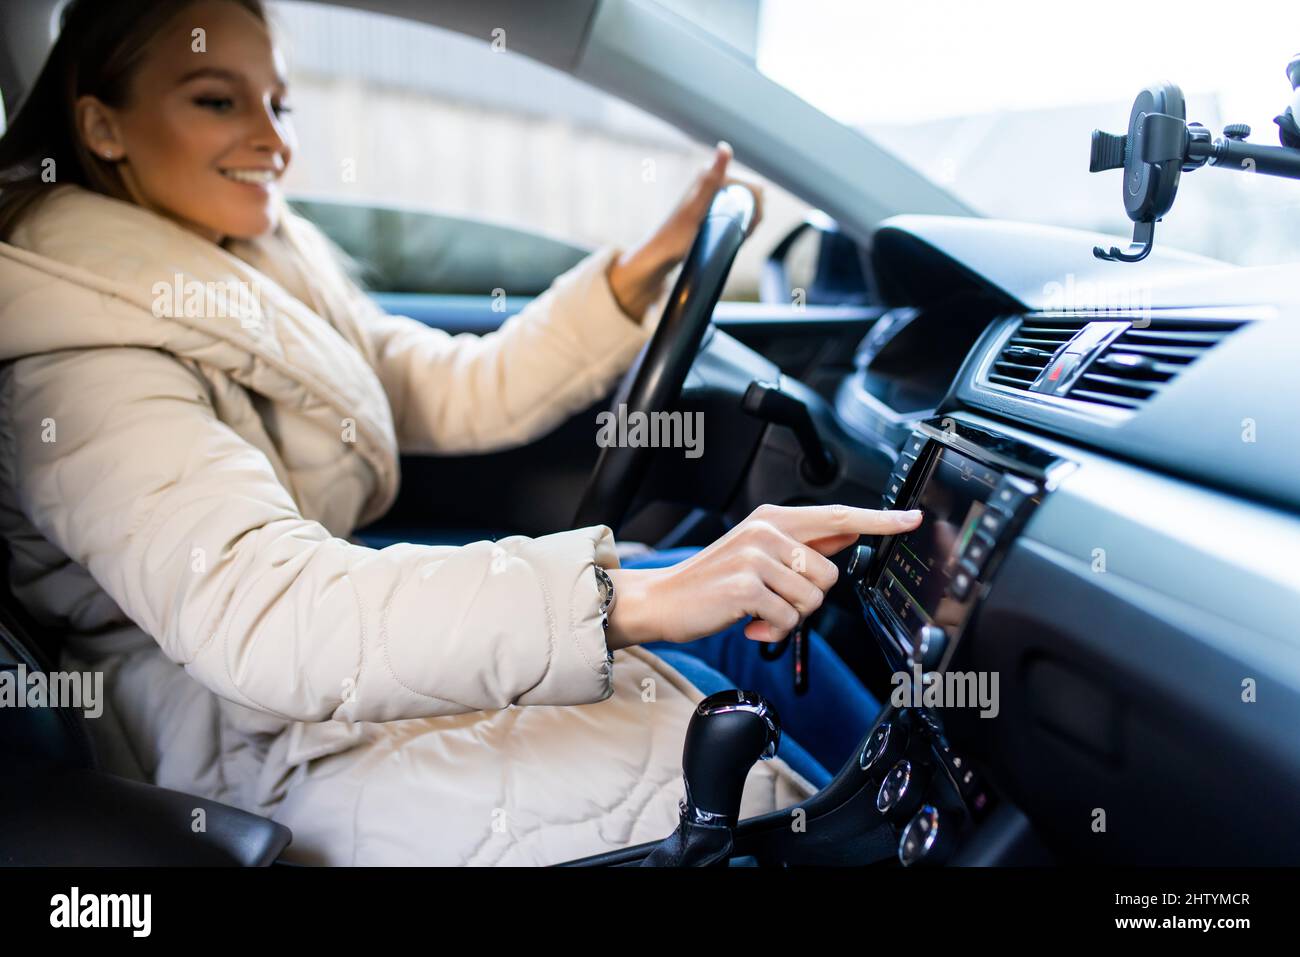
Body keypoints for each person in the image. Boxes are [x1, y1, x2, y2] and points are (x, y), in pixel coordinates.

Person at [0, 0, 923, 865]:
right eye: (216, 98)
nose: (273, 139)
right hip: (236, 742)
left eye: (279, 103)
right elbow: (269, 611)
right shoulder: (85, 351)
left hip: (314, 676)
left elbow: (453, 387)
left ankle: (912, 809)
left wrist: (640, 273)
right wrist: (624, 600)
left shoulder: (248, 270)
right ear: (101, 128)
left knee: (732, 633)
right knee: (686, 689)